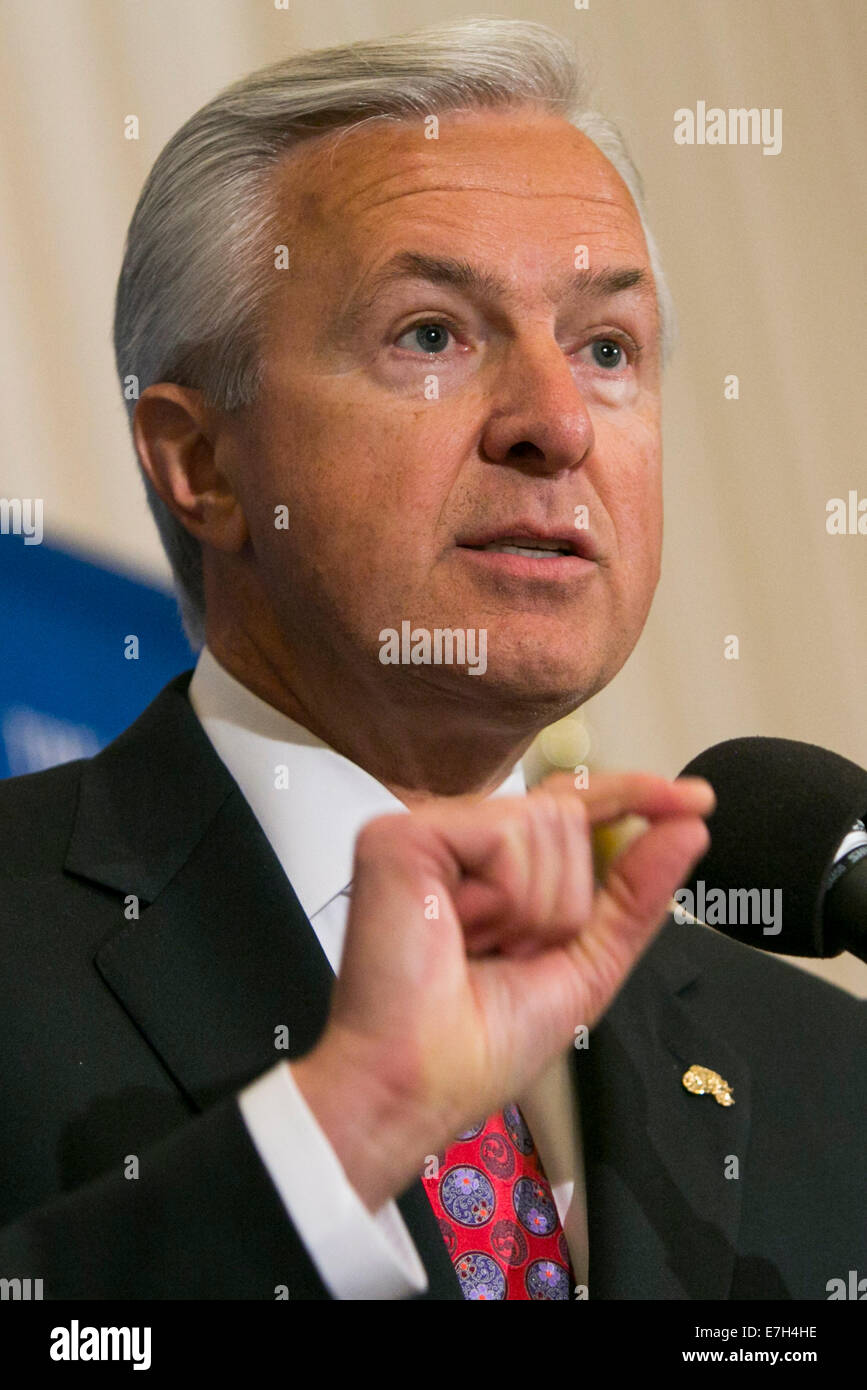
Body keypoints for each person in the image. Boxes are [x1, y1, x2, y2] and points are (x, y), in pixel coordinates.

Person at [0, 18, 863, 1302]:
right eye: (431, 336)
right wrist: (328, 1143)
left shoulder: (824, 1069)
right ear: (203, 462)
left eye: (607, 348)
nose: (557, 423)